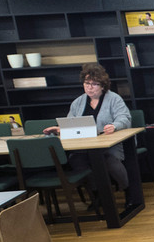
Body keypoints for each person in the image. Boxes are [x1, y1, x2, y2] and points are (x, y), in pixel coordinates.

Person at [45, 62, 132, 191]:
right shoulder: (78, 102)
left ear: (103, 85)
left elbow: (124, 118)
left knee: (108, 159)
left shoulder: (114, 99)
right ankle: (97, 193)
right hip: (84, 146)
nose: (90, 87)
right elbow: (70, 122)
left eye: (94, 84)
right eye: (87, 83)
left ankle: (126, 189)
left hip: (109, 144)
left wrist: (114, 126)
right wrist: (60, 129)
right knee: (76, 160)